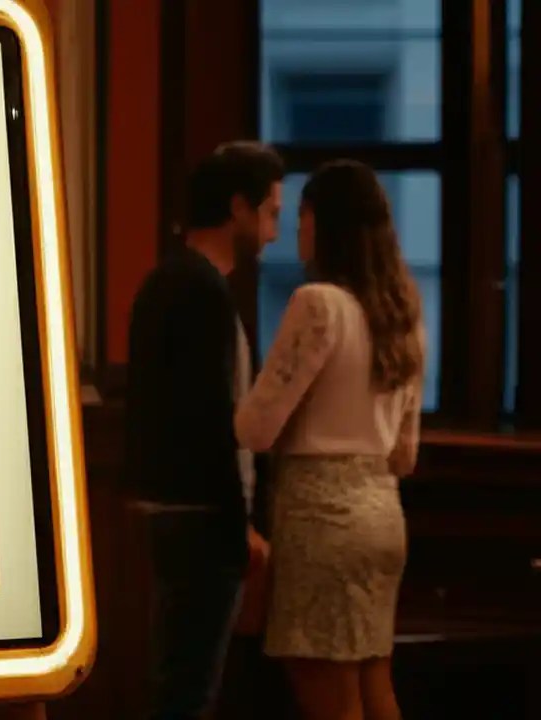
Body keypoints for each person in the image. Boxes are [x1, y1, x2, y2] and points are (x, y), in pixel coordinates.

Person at [234, 160, 424, 720]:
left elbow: (255, 428)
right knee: (373, 682)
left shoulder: (319, 305)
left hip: (322, 520)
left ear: (325, 223)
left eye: (303, 216)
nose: (297, 230)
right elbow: (404, 455)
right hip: (383, 514)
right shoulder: (403, 315)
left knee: (328, 696)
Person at [125, 141, 284, 719]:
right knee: (189, 691)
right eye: (269, 214)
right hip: (201, 518)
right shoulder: (200, 289)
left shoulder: (169, 281)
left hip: (178, 513)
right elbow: (209, 416)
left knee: (181, 682)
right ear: (238, 207)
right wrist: (237, 524)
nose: (272, 234)